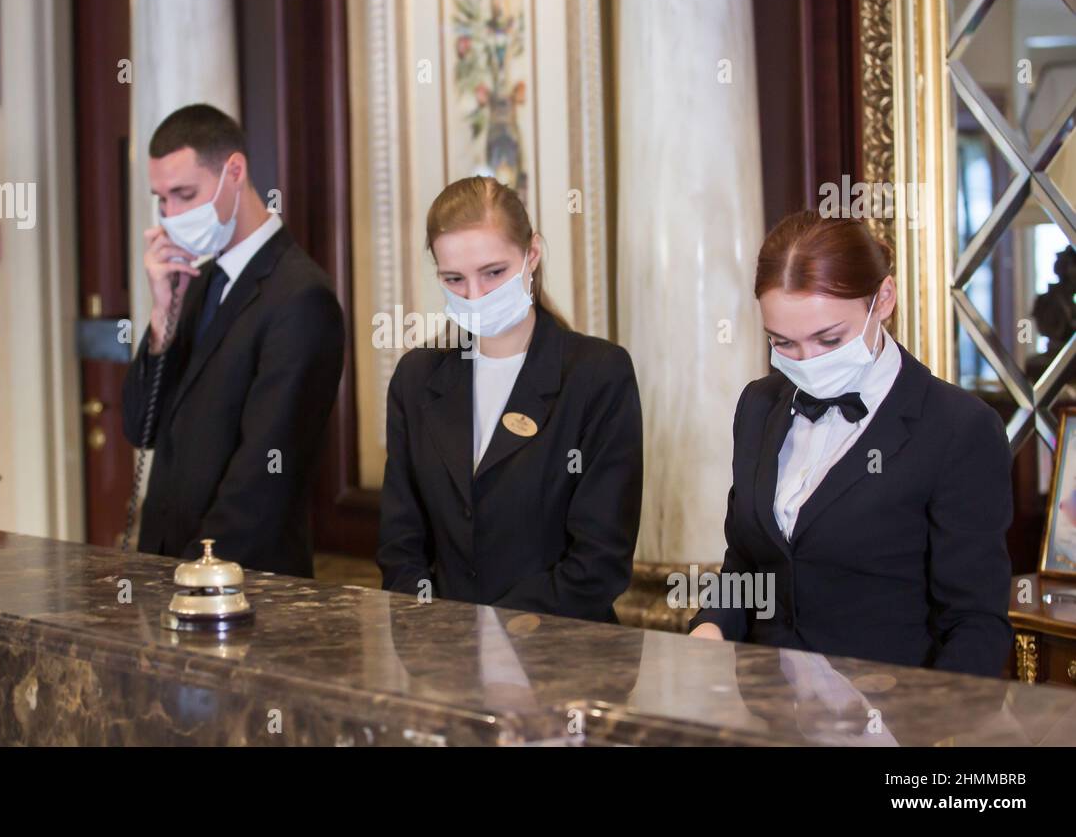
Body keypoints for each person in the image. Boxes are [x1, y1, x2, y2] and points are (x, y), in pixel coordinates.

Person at [690, 210, 1012, 677]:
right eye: (783, 343)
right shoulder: (758, 406)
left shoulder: (959, 428)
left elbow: (975, 623)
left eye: (829, 339)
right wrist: (712, 627)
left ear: (883, 299)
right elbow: (747, 559)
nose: (808, 361)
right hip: (767, 712)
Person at [377, 176, 642, 623]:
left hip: (563, 660)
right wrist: (437, 637)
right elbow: (401, 543)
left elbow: (600, 560)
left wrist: (495, 637)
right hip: (443, 660)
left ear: (531, 255)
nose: (475, 295)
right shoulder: (417, 378)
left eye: (494, 272)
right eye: (454, 279)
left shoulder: (596, 375)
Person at [121, 104, 344, 574]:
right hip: (168, 572)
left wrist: (193, 578)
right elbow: (141, 427)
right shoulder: (196, 281)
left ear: (234, 172)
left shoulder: (301, 297)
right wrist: (162, 314)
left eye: (184, 194)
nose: (170, 215)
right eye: (161, 200)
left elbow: (264, 476)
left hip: (240, 584)